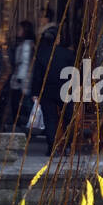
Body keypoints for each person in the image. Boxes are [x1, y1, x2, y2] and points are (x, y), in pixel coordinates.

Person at [32, 25, 76, 153]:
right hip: (65, 90)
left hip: (47, 90)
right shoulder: (67, 54)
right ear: (57, 39)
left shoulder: (41, 54)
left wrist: (35, 92)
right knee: (68, 117)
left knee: (50, 119)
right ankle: (67, 146)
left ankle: (51, 146)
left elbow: (37, 76)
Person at [10, 20, 35, 129]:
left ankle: (30, 124)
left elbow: (23, 62)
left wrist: (20, 77)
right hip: (24, 77)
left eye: (20, 29)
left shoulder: (26, 45)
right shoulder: (28, 44)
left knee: (25, 102)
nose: (18, 32)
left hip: (23, 78)